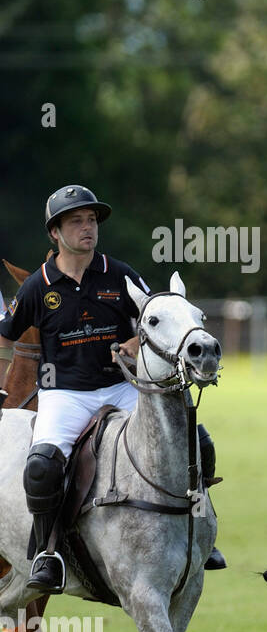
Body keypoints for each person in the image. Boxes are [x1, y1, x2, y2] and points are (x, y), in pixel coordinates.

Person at [0, 185, 225, 595]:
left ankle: (201, 535)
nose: (87, 228)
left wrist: (136, 343)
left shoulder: (119, 273)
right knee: (42, 466)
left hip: (122, 386)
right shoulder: (37, 286)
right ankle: (47, 552)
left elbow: (157, 316)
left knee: (197, 441)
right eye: (76, 222)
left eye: (91, 221)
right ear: (55, 232)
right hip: (64, 394)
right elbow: (7, 334)